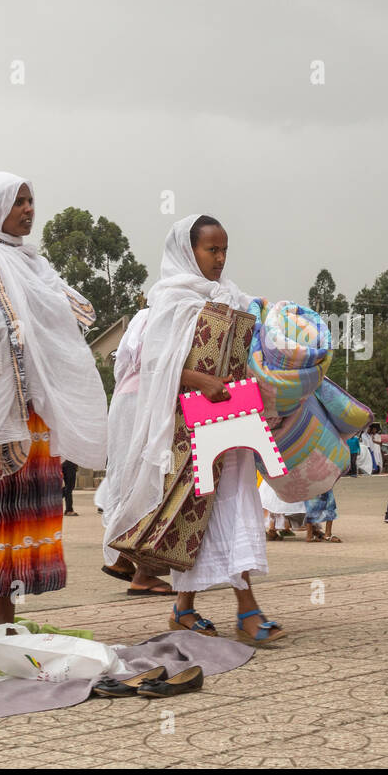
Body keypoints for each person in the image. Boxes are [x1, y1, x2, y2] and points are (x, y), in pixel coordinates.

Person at [102, 215, 283, 645]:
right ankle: (244, 612)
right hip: (188, 430)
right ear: (188, 251)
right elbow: (155, 365)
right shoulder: (171, 300)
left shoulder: (233, 297)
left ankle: (193, 609)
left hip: (231, 420)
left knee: (230, 510)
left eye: (224, 250)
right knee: (199, 515)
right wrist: (200, 381)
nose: (219, 259)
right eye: (211, 250)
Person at [0, 172, 110, 635]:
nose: (28, 209)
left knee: (19, 514)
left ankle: (7, 618)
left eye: (30, 200)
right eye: (17, 201)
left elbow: (69, 324)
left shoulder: (37, 266)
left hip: (35, 414)